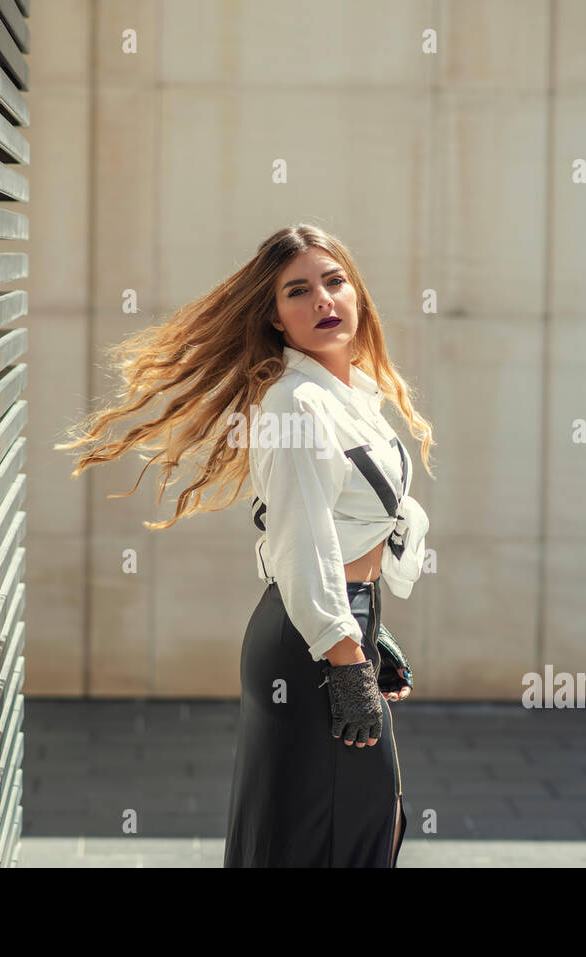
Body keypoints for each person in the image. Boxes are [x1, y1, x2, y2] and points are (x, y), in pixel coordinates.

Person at [58, 223, 434, 867]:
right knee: (332, 837)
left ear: (358, 296)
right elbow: (301, 542)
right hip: (313, 641)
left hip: (337, 623)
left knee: (363, 826)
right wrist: (346, 655)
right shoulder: (295, 404)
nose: (323, 300)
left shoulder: (351, 397)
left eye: (334, 282)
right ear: (276, 319)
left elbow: (362, 522)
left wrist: (368, 627)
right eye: (298, 291)